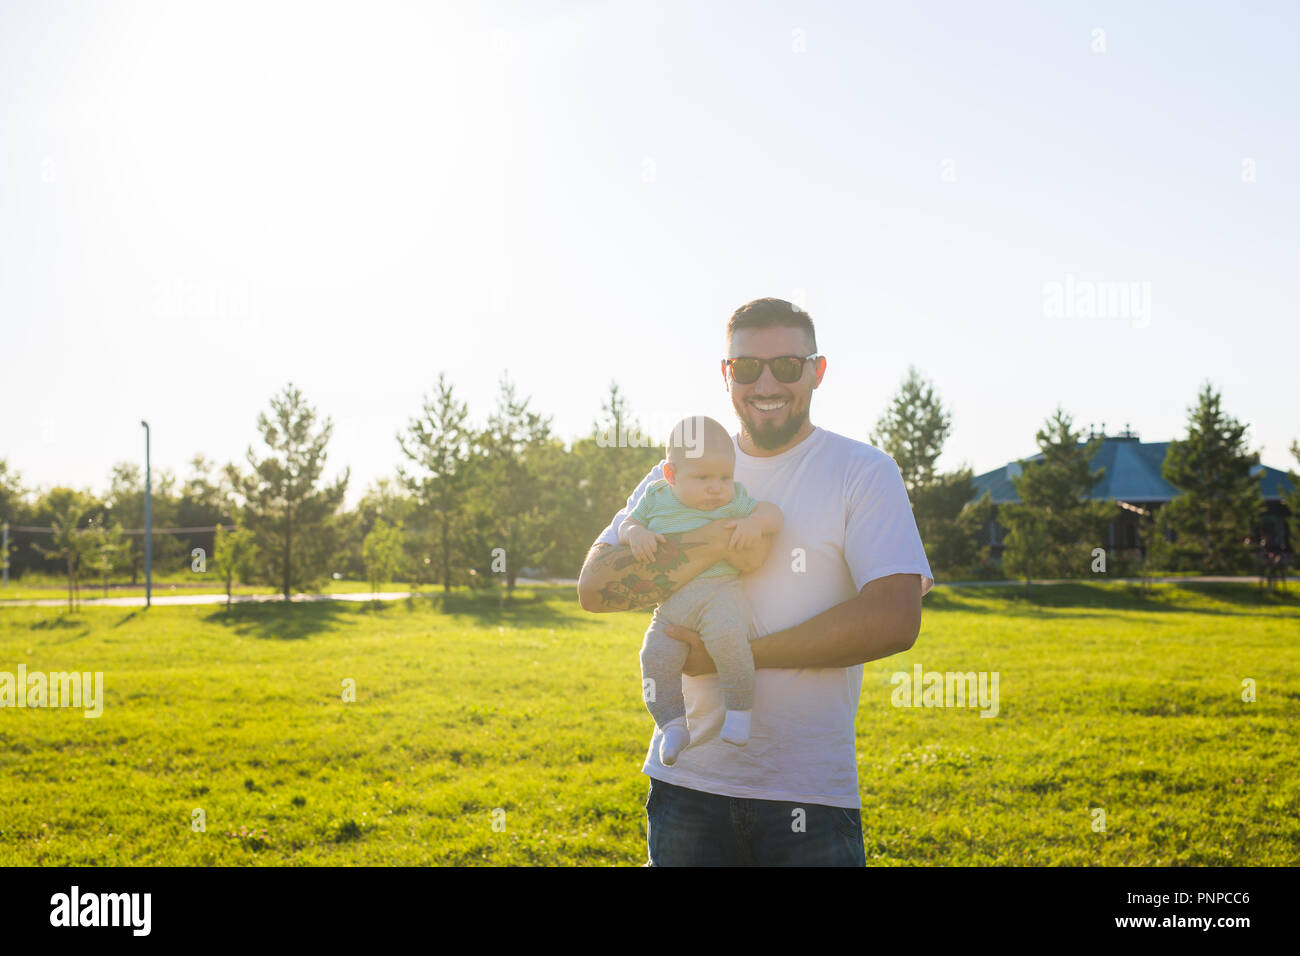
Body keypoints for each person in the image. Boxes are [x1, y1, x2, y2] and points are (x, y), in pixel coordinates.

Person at [577, 297, 934, 866]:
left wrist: (733, 655)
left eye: (787, 366)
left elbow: (894, 619)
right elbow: (595, 588)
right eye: (746, 368)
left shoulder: (863, 471)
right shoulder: (685, 469)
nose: (766, 382)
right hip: (687, 783)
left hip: (807, 794)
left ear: (817, 371)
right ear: (726, 376)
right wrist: (718, 542)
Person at [620, 415, 784, 764]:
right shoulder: (656, 498)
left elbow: (774, 514)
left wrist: (754, 522)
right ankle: (672, 723)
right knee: (653, 656)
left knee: (728, 638)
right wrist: (636, 533)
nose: (716, 487)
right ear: (671, 476)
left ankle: (739, 712)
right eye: (704, 477)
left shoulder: (732, 501)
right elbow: (628, 522)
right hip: (672, 606)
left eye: (725, 477)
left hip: (721, 593)